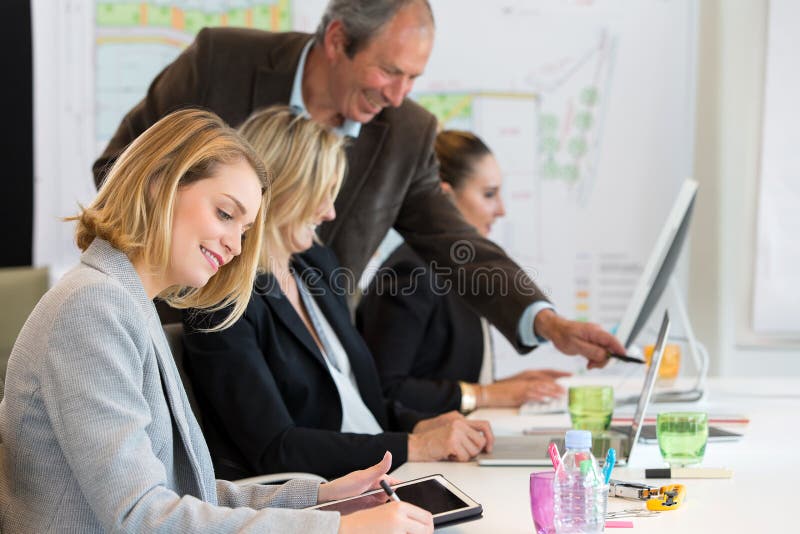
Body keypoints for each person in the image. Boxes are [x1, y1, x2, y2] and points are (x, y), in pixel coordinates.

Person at [93, 0, 625, 370]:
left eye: (413, 78)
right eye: (390, 71)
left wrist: (547, 322)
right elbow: (121, 170)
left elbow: (456, 244)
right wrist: (185, 269)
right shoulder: (221, 62)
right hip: (184, 345)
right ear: (337, 40)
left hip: (309, 374)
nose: (398, 95)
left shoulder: (407, 133)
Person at [0, 109, 433, 533]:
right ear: (158, 184)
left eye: (244, 230)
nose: (236, 247)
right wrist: (337, 529)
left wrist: (320, 498)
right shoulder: (93, 307)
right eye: (225, 214)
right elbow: (142, 516)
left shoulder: (127, 302)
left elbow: (185, 492)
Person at [183, 107, 495, 483]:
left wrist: (422, 425)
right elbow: (275, 449)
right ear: (285, 190)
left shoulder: (315, 265)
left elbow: (354, 400)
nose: (330, 213)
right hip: (311, 495)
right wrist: (413, 445)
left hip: (372, 477)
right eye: (322, 194)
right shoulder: (223, 300)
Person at [357, 130, 572, 415]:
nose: (501, 210)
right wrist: (485, 394)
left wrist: (502, 387)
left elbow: (440, 374)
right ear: (443, 198)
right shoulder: (410, 272)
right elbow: (385, 390)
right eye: (489, 194)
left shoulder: (463, 269)